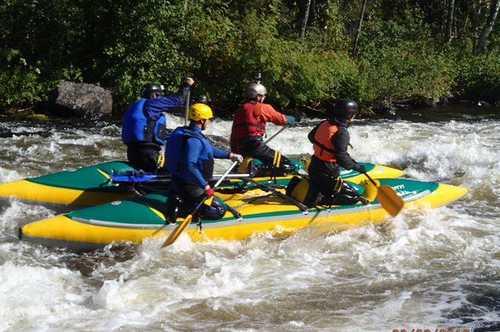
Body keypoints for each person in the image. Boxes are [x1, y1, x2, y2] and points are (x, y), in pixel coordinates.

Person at [165, 103, 243, 221]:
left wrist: (230, 155)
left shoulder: (183, 132)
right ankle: (187, 210)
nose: (210, 122)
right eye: (209, 119)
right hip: (192, 185)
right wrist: (205, 186)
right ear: (202, 121)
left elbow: (208, 150)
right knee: (220, 210)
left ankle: (181, 201)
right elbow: (190, 165)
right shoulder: (194, 140)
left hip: (178, 180)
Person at [121, 78, 194, 172]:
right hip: (147, 153)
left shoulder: (135, 107)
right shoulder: (152, 105)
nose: (160, 98)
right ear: (154, 94)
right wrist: (186, 86)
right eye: (160, 95)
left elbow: (152, 131)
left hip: (132, 152)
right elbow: (179, 100)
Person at [306, 99, 368, 206]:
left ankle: (318, 195)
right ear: (350, 115)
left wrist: (326, 148)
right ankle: (318, 201)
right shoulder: (342, 132)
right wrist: (357, 167)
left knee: (320, 185)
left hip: (314, 165)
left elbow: (311, 137)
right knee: (352, 197)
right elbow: (341, 158)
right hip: (328, 170)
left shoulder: (324, 123)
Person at [230, 82, 297, 173]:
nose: (264, 98)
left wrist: (235, 151)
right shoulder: (261, 107)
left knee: (259, 162)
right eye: (263, 96)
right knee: (286, 164)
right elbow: (281, 119)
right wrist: (294, 118)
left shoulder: (240, 110)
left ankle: (250, 170)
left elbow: (234, 134)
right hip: (254, 146)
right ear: (258, 96)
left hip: (239, 147)